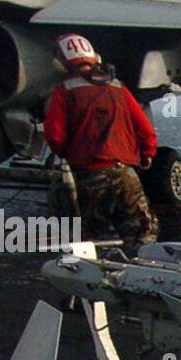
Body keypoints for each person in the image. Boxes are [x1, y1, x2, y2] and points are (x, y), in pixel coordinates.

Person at [44, 32, 158, 251]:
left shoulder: (64, 91)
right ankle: (144, 271)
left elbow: (55, 137)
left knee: (81, 238)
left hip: (88, 175)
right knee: (143, 234)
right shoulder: (118, 88)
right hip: (125, 174)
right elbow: (144, 128)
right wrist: (147, 153)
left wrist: (71, 154)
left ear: (62, 62)